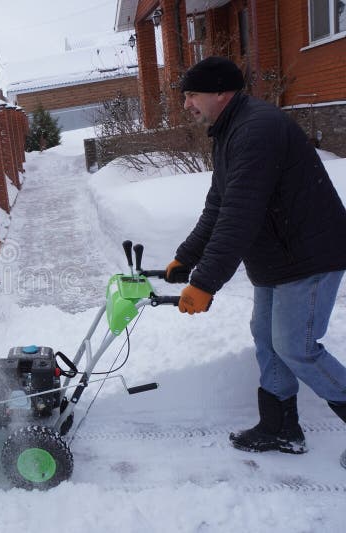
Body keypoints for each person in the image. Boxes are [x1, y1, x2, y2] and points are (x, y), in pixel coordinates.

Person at [164, 56, 346, 468]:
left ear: (220, 93)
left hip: (308, 254)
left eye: (192, 95)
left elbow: (240, 215)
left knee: (296, 347)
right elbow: (219, 205)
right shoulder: (230, 131)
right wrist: (185, 257)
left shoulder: (256, 130)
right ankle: (281, 428)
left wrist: (205, 281)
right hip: (278, 257)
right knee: (267, 337)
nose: (187, 104)